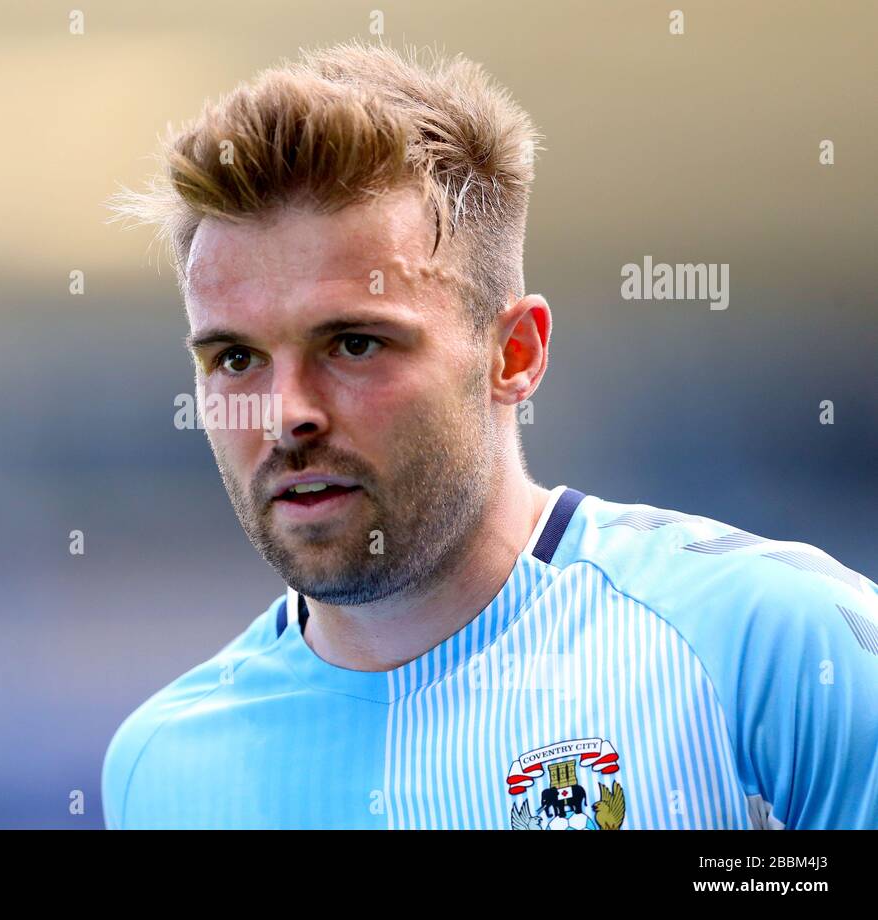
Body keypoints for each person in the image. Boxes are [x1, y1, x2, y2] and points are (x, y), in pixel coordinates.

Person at [101, 40, 878, 829]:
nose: (285, 412)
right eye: (236, 357)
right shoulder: (162, 767)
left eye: (355, 344)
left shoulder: (781, 647)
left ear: (515, 354)